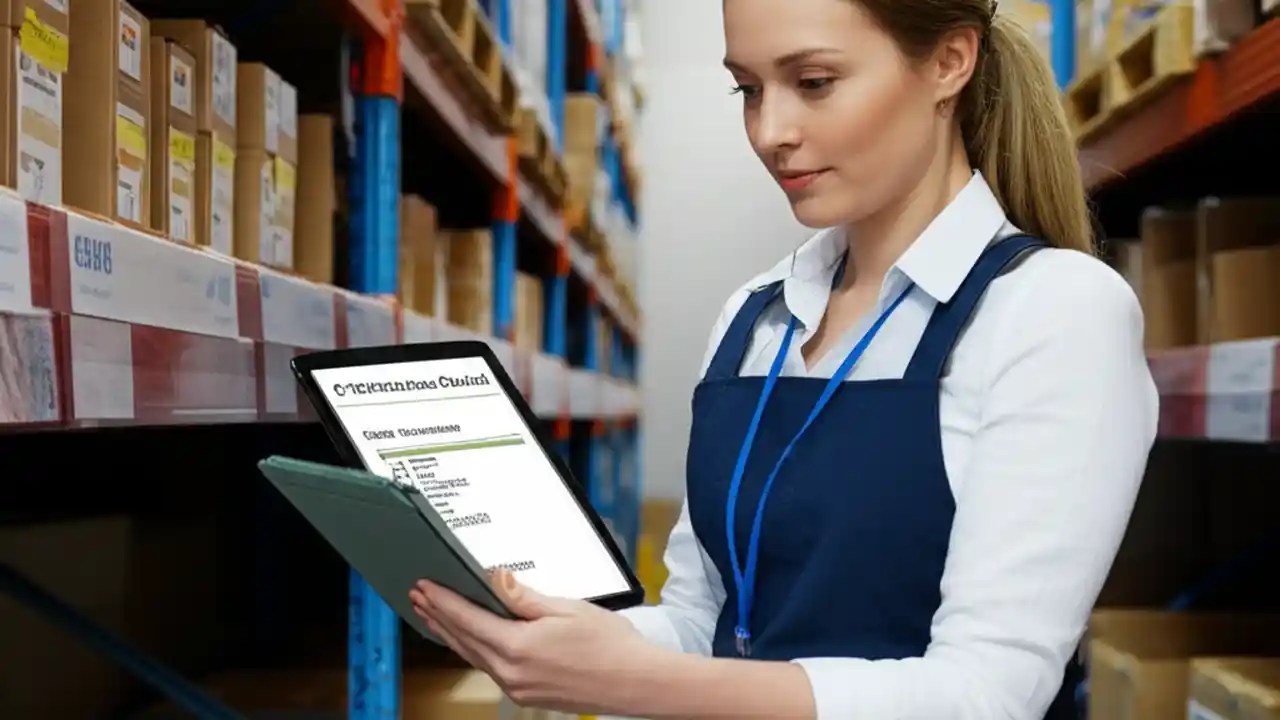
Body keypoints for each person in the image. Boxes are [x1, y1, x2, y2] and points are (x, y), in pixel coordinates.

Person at [408, 0, 1159, 717]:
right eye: (748, 89)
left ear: (949, 62)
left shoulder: (1053, 311)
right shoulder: (757, 317)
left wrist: (635, 681)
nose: (770, 132)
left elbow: (986, 697)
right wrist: (557, 634)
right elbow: (704, 622)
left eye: (815, 82)